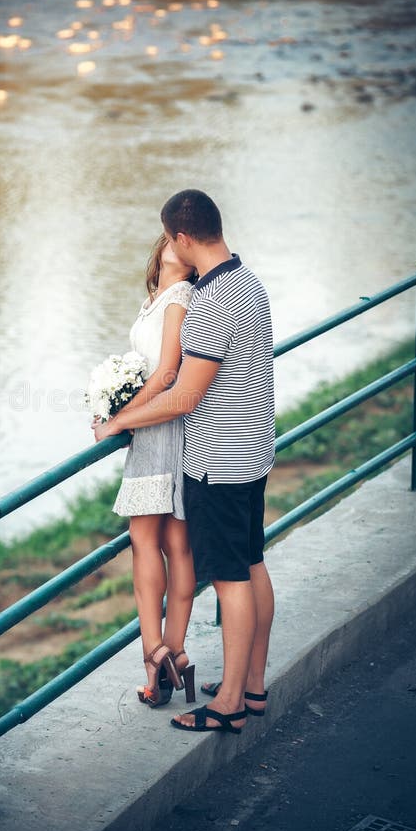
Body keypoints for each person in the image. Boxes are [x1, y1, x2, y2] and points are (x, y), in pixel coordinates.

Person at [93, 189, 275, 735]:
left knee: (230, 580)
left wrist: (120, 421)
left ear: (180, 238)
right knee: (252, 564)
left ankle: (229, 707)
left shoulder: (211, 303)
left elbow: (182, 397)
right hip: (256, 448)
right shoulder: (250, 283)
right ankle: (254, 687)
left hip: (219, 459)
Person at [95, 233, 198, 708]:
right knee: (174, 543)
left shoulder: (179, 298)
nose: (178, 245)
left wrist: (119, 419)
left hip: (159, 430)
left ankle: (154, 652)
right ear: (160, 250)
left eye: (185, 244)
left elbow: (166, 374)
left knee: (147, 544)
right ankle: (175, 653)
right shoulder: (156, 299)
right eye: (171, 240)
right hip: (163, 425)